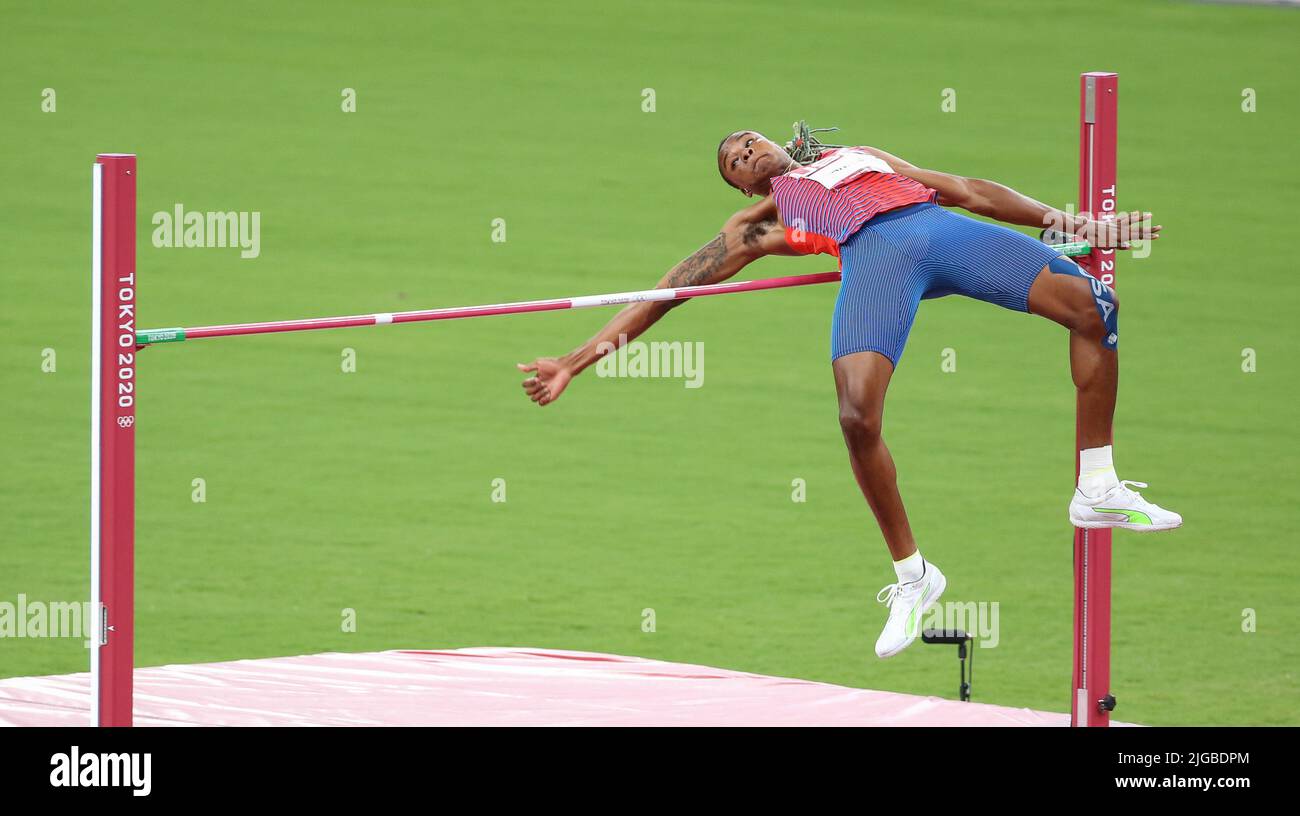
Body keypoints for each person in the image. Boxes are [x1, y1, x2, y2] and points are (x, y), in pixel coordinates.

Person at [518, 129, 1181, 658]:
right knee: (856, 416)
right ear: (744, 183)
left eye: (747, 139)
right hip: (876, 260)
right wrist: (577, 362)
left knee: (1096, 308)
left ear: (773, 140)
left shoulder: (858, 154)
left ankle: (1097, 486)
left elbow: (965, 190)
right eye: (732, 160)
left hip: (940, 231)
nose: (744, 150)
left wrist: (1072, 222)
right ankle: (916, 578)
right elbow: (669, 290)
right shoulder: (758, 225)